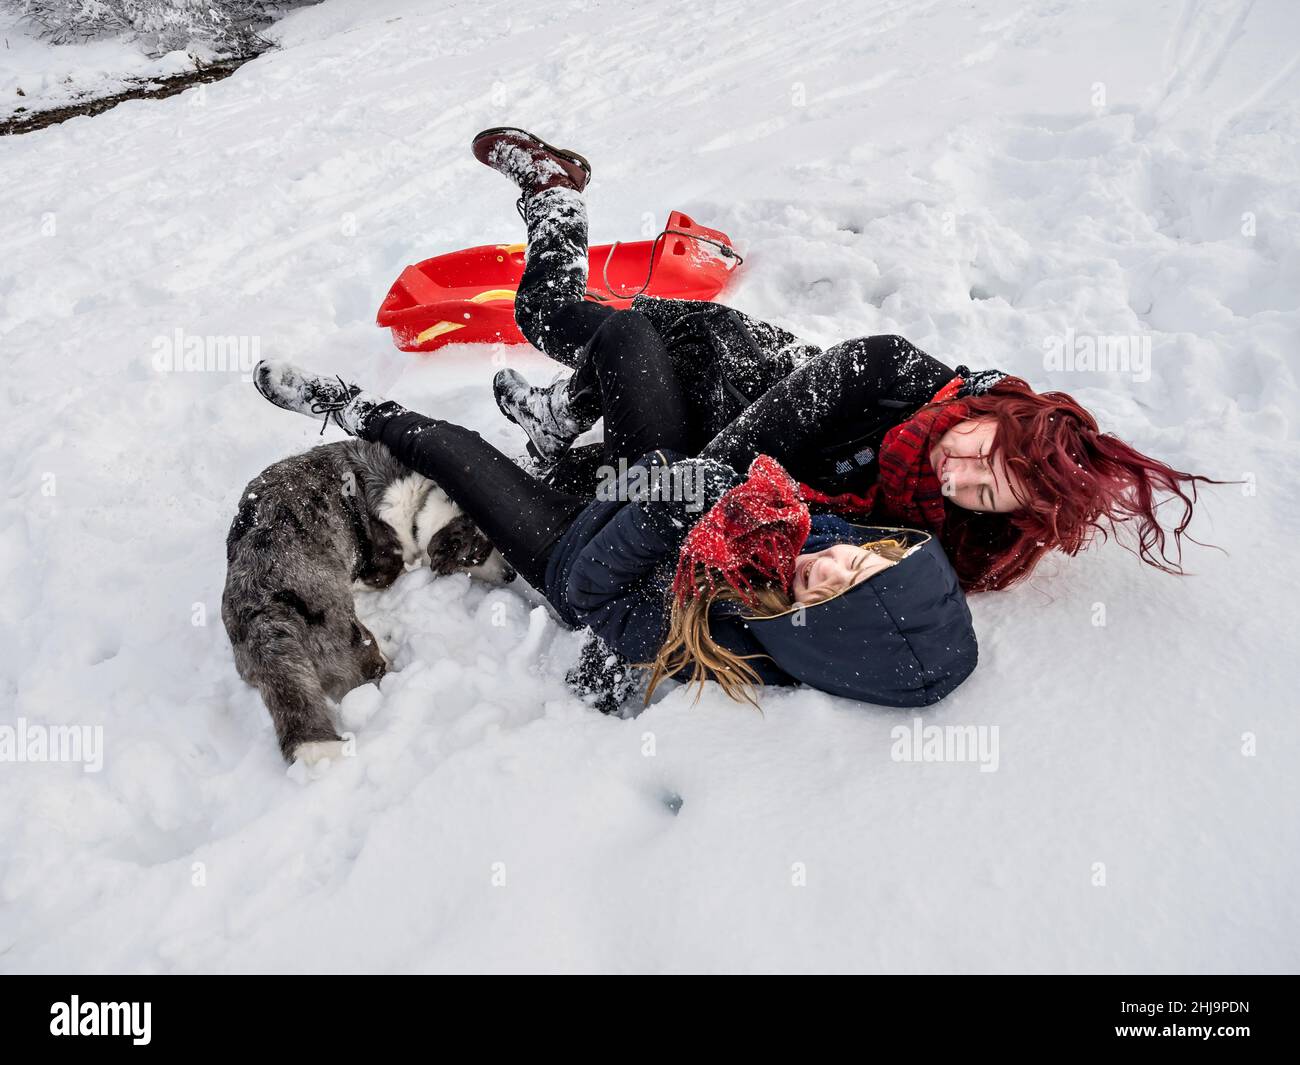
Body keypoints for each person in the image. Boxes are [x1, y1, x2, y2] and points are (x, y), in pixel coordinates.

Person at [476, 128, 1216, 593]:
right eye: (981, 453)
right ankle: (556, 197)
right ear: (989, 413)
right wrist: (664, 522)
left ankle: (556, 419)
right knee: (562, 324)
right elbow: (732, 462)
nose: (961, 476)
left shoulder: (951, 539)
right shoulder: (888, 366)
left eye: (985, 494)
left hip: (692, 445)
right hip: (706, 370)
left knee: (575, 490)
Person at [249, 351, 978, 711]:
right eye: (856, 567)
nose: (824, 571)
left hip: (569, 551)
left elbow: (595, 590)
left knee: (449, 448)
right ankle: (557, 412)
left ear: (822, 637)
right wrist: (680, 487)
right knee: (629, 339)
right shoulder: (819, 534)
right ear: (881, 550)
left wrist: (673, 502)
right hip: (651, 480)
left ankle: (351, 407)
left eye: (829, 597)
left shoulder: (732, 639)